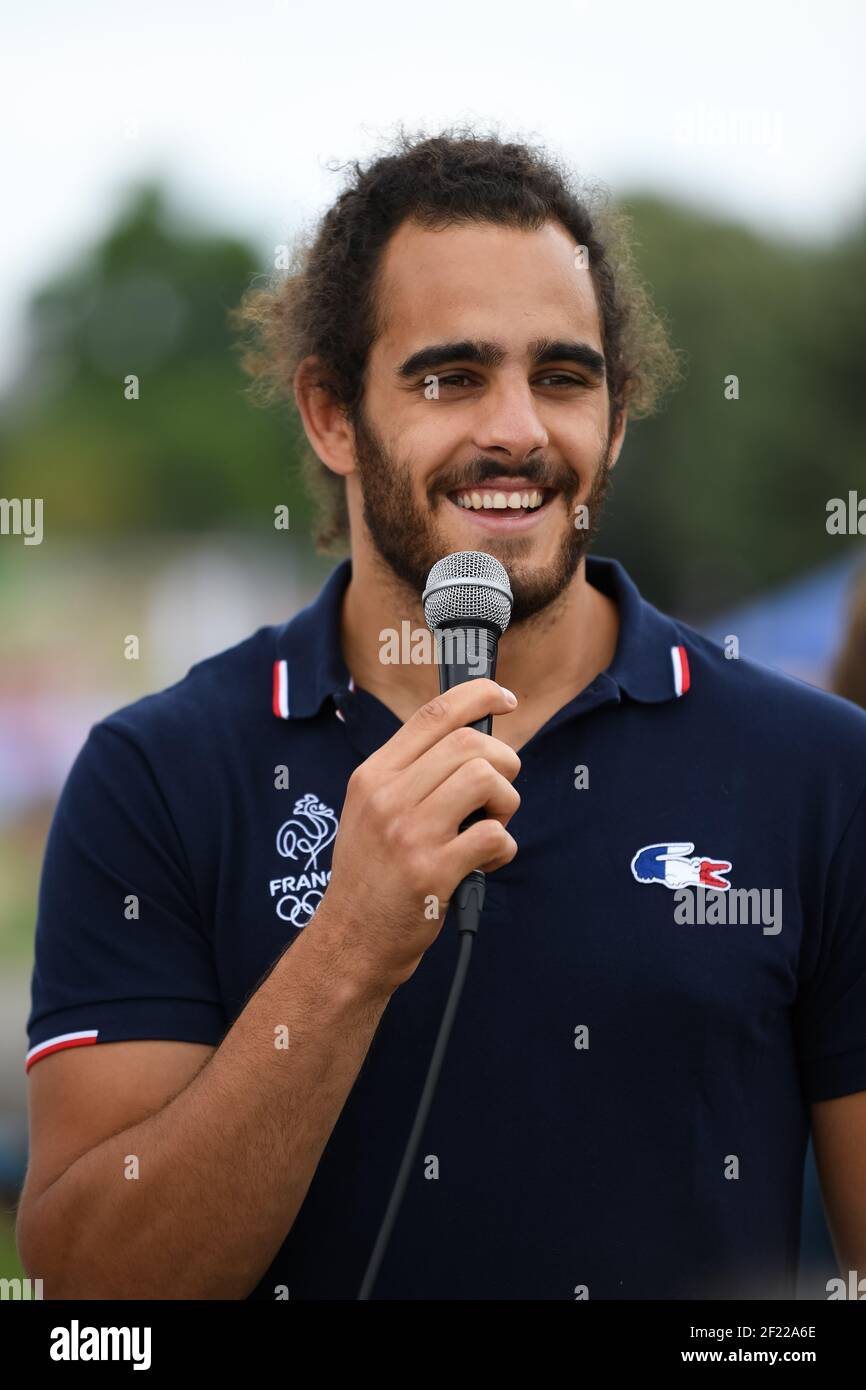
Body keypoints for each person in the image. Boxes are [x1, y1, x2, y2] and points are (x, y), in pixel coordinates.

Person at [16, 129, 866, 1300]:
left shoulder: (819, 771)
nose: (515, 427)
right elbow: (93, 1295)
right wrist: (348, 949)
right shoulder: (158, 772)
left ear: (615, 419)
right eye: (450, 376)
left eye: (563, 377)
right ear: (328, 413)